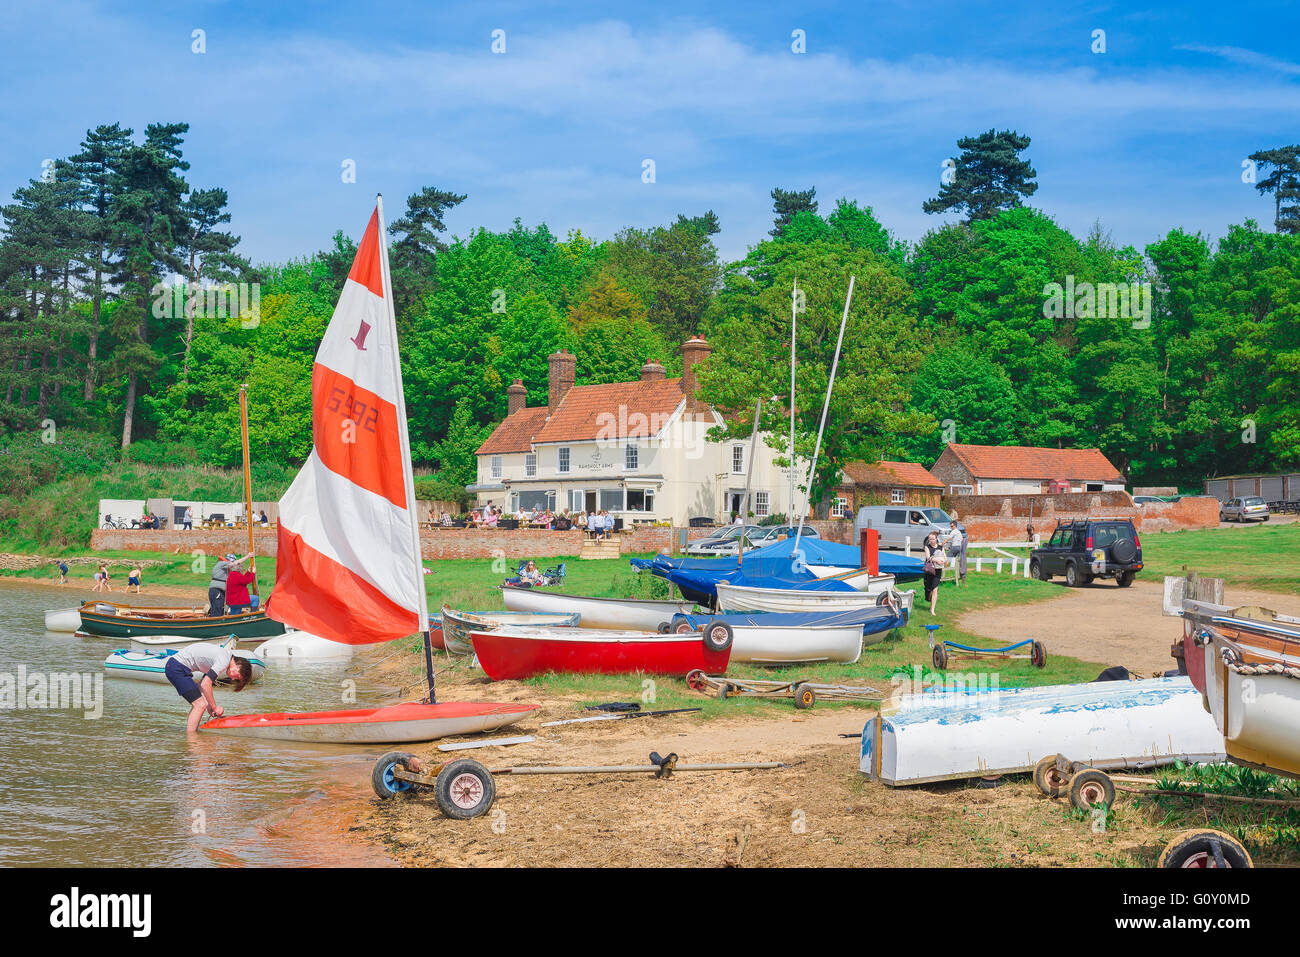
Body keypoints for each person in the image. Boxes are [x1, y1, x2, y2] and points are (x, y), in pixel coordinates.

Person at [164, 641, 255, 733]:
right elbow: (205, 684)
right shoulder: (224, 661)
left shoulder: (225, 658)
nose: (234, 678)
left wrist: (209, 707)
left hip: (177, 667)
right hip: (176, 668)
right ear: (239, 666)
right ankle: (192, 740)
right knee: (199, 705)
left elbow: (201, 686)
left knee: (201, 705)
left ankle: (192, 736)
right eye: (237, 676)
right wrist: (214, 707)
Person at [208, 552, 252, 617]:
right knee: (217, 611)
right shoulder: (222, 563)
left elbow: (242, 580)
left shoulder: (227, 569)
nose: (234, 566)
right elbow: (234, 563)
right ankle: (216, 624)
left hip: (218, 591)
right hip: (217, 591)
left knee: (219, 609)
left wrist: (248, 572)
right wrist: (248, 556)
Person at [922, 531, 946, 616]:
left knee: (935, 589)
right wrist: (936, 560)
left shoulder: (940, 547)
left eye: (933, 539)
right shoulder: (927, 547)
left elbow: (944, 557)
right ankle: (928, 596)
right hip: (929, 570)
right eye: (930, 539)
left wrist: (944, 561)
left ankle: (932, 610)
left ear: (936, 539)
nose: (931, 540)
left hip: (938, 571)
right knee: (928, 590)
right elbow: (928, 557)